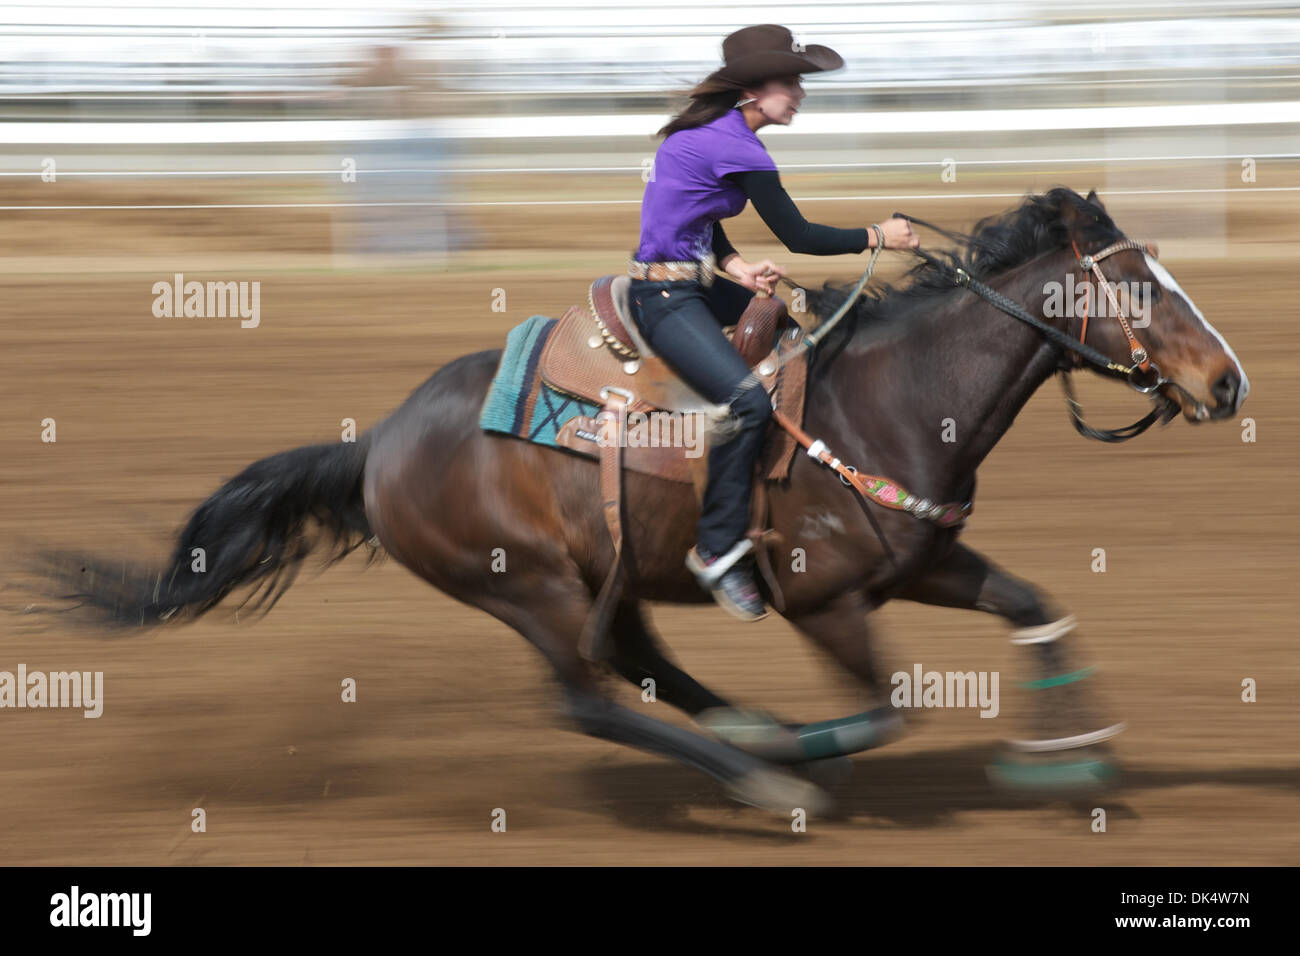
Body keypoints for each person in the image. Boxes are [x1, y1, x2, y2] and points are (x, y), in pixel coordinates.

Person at [628, 23, 920, 621]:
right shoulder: (736, 146)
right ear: (752, 92)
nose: (800, 94)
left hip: (696, 284)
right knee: (745, 405)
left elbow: (697, 216)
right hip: (663, 300)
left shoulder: (711, 137)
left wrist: (734, 265)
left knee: (792, 324)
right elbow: (800, 236)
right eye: (791, 83)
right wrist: (878, 237)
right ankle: (715, 549)